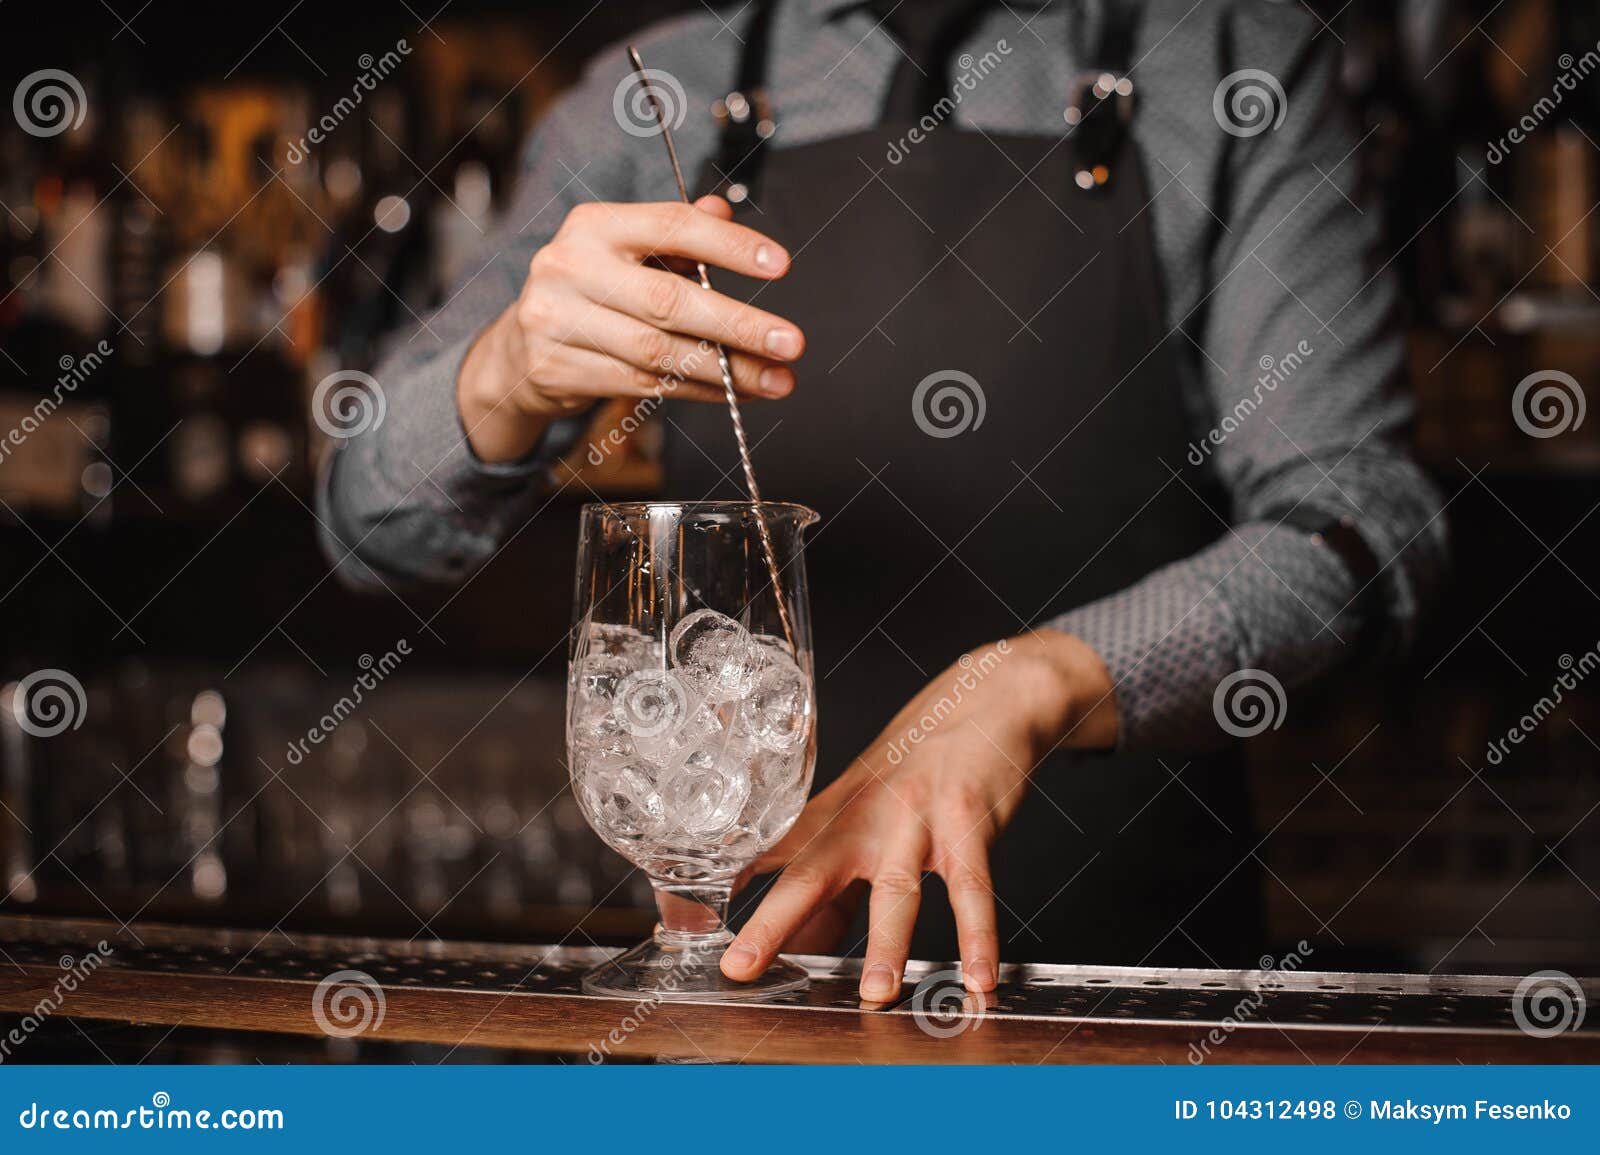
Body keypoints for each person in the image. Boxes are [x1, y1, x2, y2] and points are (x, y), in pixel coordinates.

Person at [320, 0, 1448, 1002]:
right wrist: (504, 374)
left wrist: (1036, 680)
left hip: (1132, 988)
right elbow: (366, 527)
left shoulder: (1231, 62)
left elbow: (1363, 531)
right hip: (762, 984)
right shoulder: (644, 99)